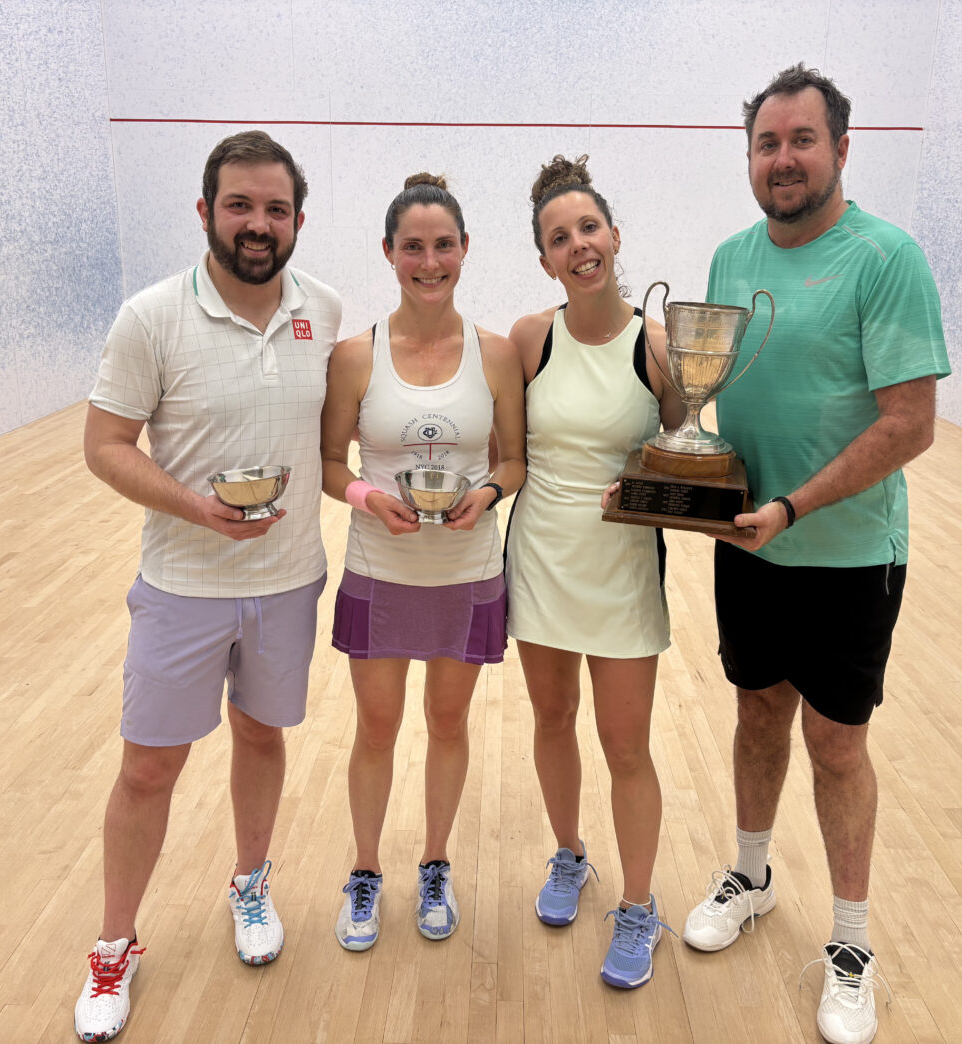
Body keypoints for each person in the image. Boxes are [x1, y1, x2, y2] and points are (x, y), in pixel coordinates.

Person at [681, 64, 950, 1044]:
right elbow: (701, 398)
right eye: (766, 143)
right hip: (747, 545)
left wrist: (793, 507)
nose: (782, 158)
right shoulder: (726, 258)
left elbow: (911, 423)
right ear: (748, 157)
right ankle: (751, 877)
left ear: (843, 147)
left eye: (801, 140)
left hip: (843, 554)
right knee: (757, 713)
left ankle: (849, 942)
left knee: (836, 745)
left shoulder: (887, 260)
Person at [74, 131, 342, 1043]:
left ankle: (250, 884)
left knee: (262, 735)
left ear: (298, 220)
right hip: (183, 583)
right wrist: (195, 507)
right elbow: (103, 447)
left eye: (275, 208)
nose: (258, 224)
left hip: (290, 577)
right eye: (240, 205)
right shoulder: (150, 317)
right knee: (149, 766)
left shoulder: (326, 311)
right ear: (205, 213)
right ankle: (115, 945)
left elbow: (336, 448)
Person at [320, 173, 526, 952]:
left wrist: (491, 495)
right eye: (414, 247)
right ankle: (365, 871)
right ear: (389, 254)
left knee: (447, 721)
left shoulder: (497, 354)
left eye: (444, 246)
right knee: (376, 727)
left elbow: (517, 462)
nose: (429, 261)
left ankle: (435, 863)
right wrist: (368, 498)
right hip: (380, 568)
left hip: (468, 570)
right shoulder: (355, 357)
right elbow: (328, 461)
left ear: (465, 251)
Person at [504, 155, 684, 989]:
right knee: (551, 717)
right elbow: (509, 453)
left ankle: (640, 909)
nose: (578, 245)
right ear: (544, 259)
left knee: (626, 745)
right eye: (558, 237)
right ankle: (570, 856)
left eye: (588, 228)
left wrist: (646, 487)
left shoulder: (658, 350)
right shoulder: (529, 338)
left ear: (615, 236)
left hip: (620, 569)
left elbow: (688, 470)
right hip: (540, 553)